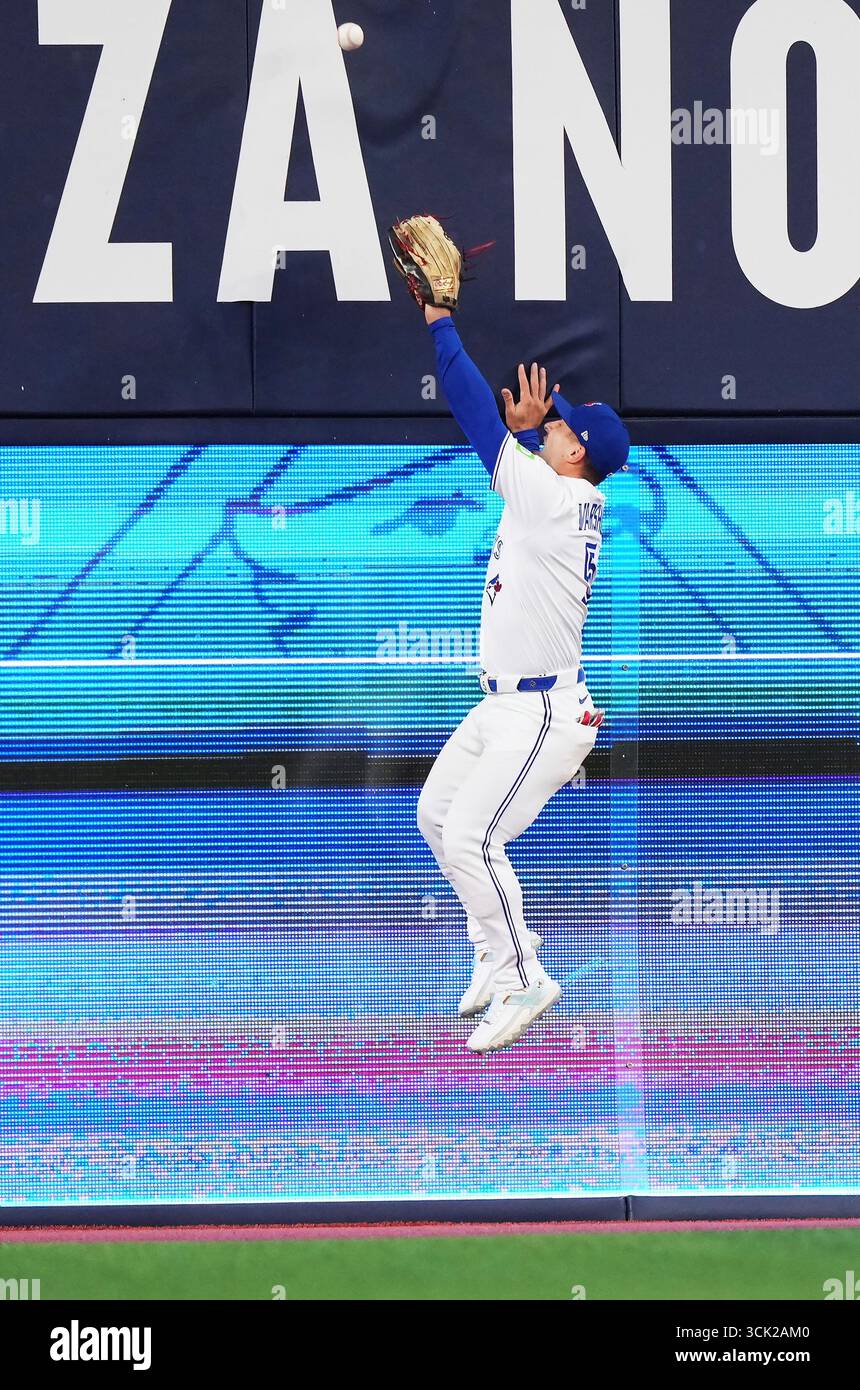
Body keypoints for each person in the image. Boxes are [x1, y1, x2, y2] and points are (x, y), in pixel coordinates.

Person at [415, 301, 630, 1054]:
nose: (552, 425)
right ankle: (491, 956)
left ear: (578, 453)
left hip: (540, 713)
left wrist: (442, 324)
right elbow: (514, 443)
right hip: (511, 703)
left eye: (564, 426)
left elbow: (475, 414)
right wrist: (535, 429)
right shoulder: (558, 491)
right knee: (436, 815)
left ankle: (524, 976)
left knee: (473, 837)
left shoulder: (553, 496)